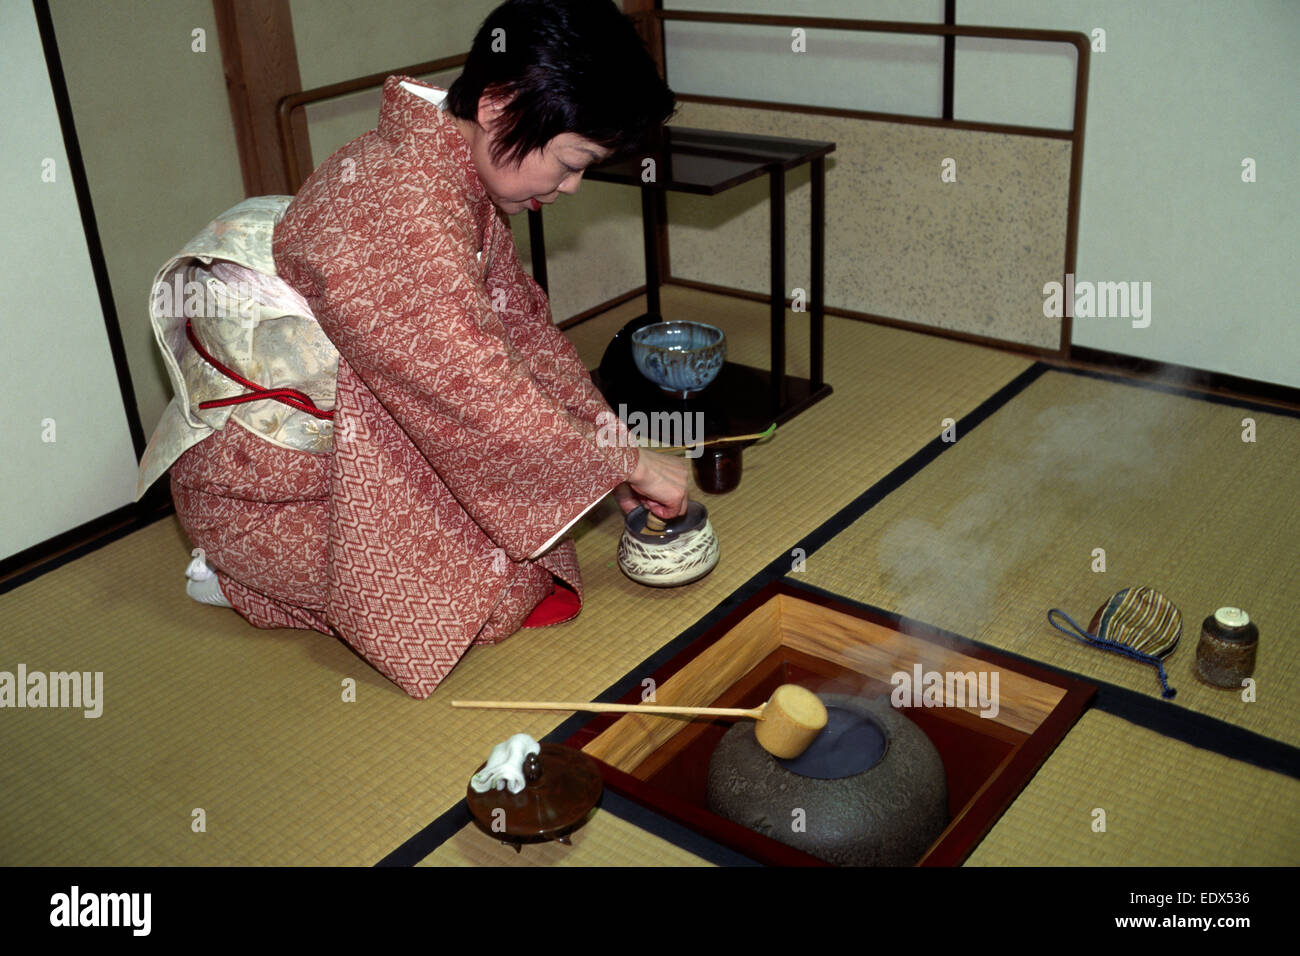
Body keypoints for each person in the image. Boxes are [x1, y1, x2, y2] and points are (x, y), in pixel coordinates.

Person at [143, 0, 686, 698]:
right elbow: (471, 383)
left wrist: (611, 456)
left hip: (359, 445)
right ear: (499, 104)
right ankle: (231, 570)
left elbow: (521, 333)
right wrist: (628, 462)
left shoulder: (448, 168)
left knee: (528, 550)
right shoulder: (404, 201)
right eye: (573, 162)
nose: (573, 187)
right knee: (482, 599)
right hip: (266, 487)